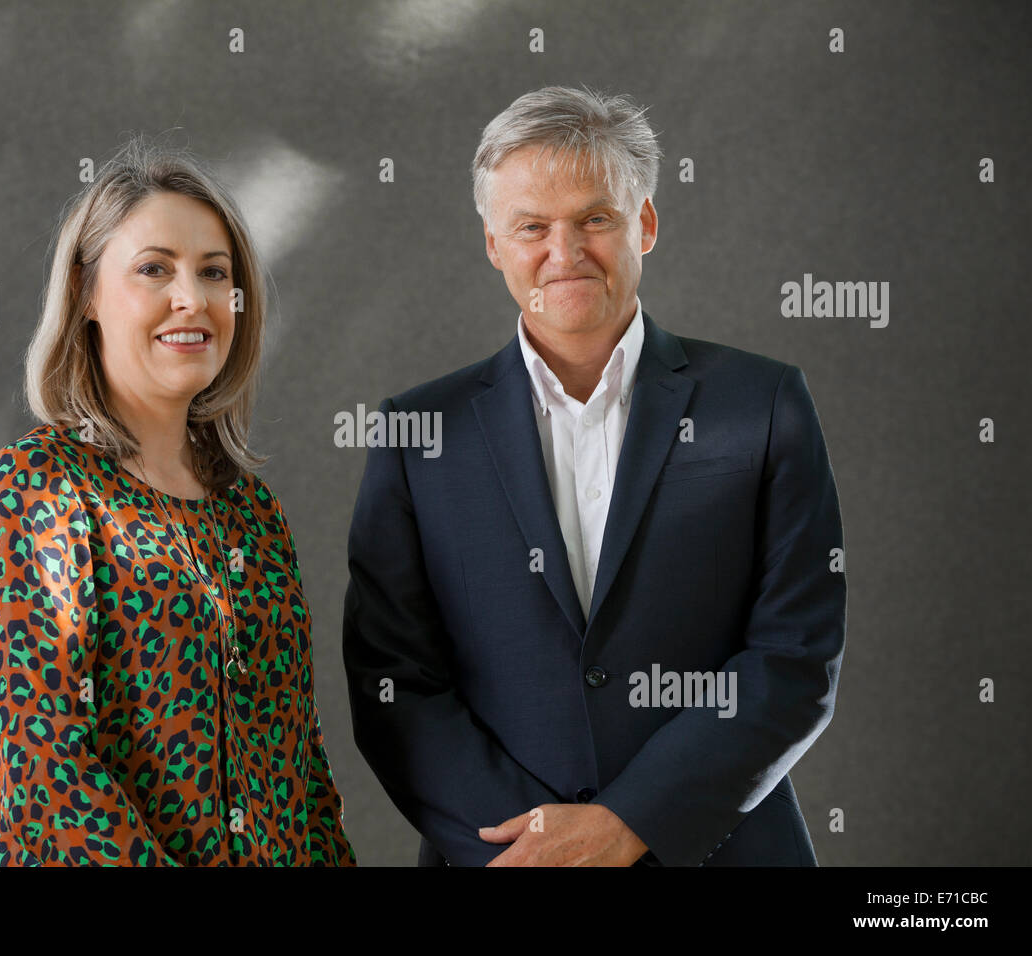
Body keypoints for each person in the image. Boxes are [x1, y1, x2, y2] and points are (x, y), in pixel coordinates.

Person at [342, 86, 846, 866]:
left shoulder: (764, 404)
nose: (564, 252)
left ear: (644, 223)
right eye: (532, 227)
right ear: (493, 244)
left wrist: (631, 824)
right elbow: (393, 684)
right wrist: (538, 850)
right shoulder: (418, 435)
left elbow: (794, 657)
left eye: (595, 219)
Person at [0, 137, 355, 866]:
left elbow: (302, 776)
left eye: (214, 273)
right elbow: (51, 776)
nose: (193, 299)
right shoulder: (40, 489)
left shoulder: (253, 515)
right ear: (85, 294)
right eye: (154, 269)